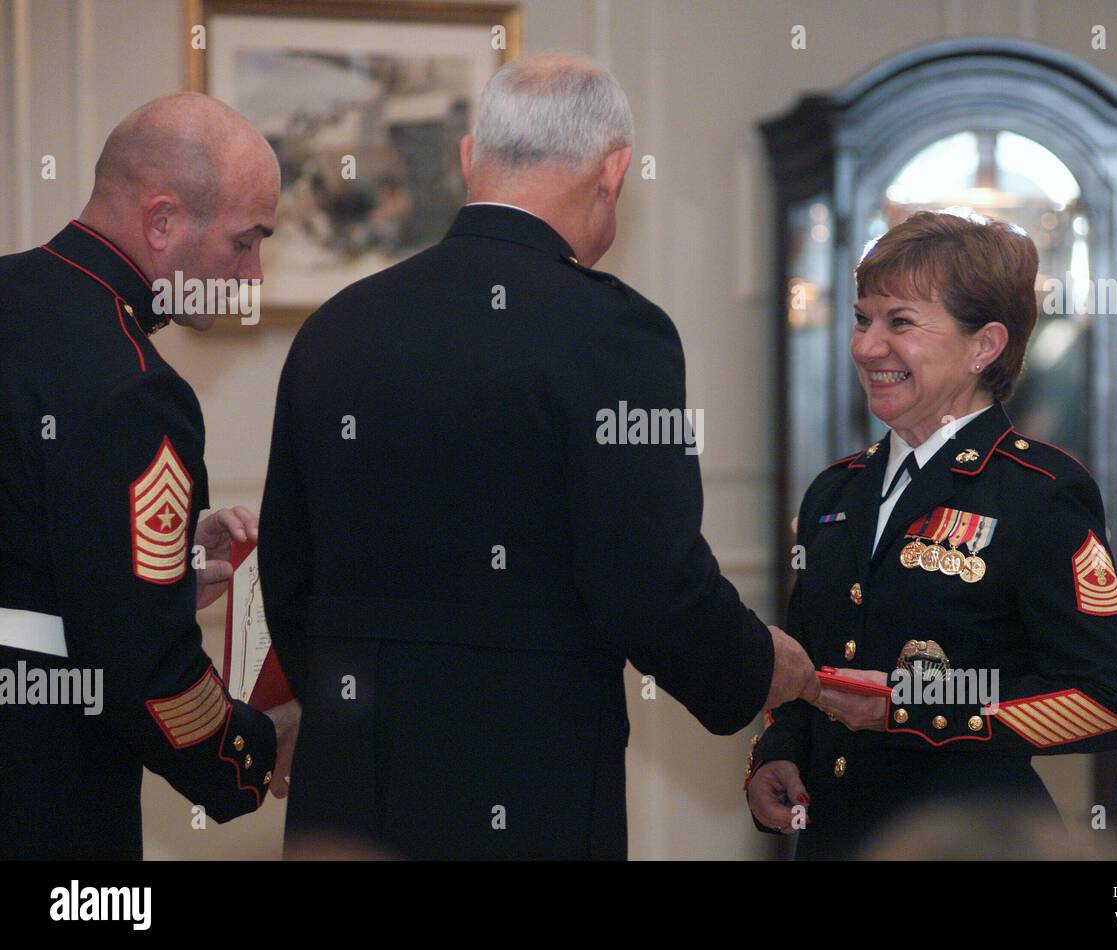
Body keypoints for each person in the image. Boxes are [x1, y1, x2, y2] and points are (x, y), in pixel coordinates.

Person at [258, 52, 818, 860]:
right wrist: (753, 663)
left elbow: (289, 566)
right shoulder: (617, 334)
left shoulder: (337, 326)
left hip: (344, 781)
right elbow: (647, 581)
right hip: (522, 774)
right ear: (614, 170)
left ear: (466, 158)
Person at [745, 209, 1117, 859]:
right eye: (862, 319)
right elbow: (813, 666)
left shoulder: (1037, 493)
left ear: (984, 346)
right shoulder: (835, 492)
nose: (867, 346)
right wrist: (778, 753)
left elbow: (1106, 702)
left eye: (899, 322)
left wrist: (909, 705)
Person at [0, 93, 299, 859]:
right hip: (44, 783)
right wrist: (251, 751)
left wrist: (160, 570)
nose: (254, 274)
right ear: (162, 221)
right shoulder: (132, 384)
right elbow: (140, 664)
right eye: (245, 243)